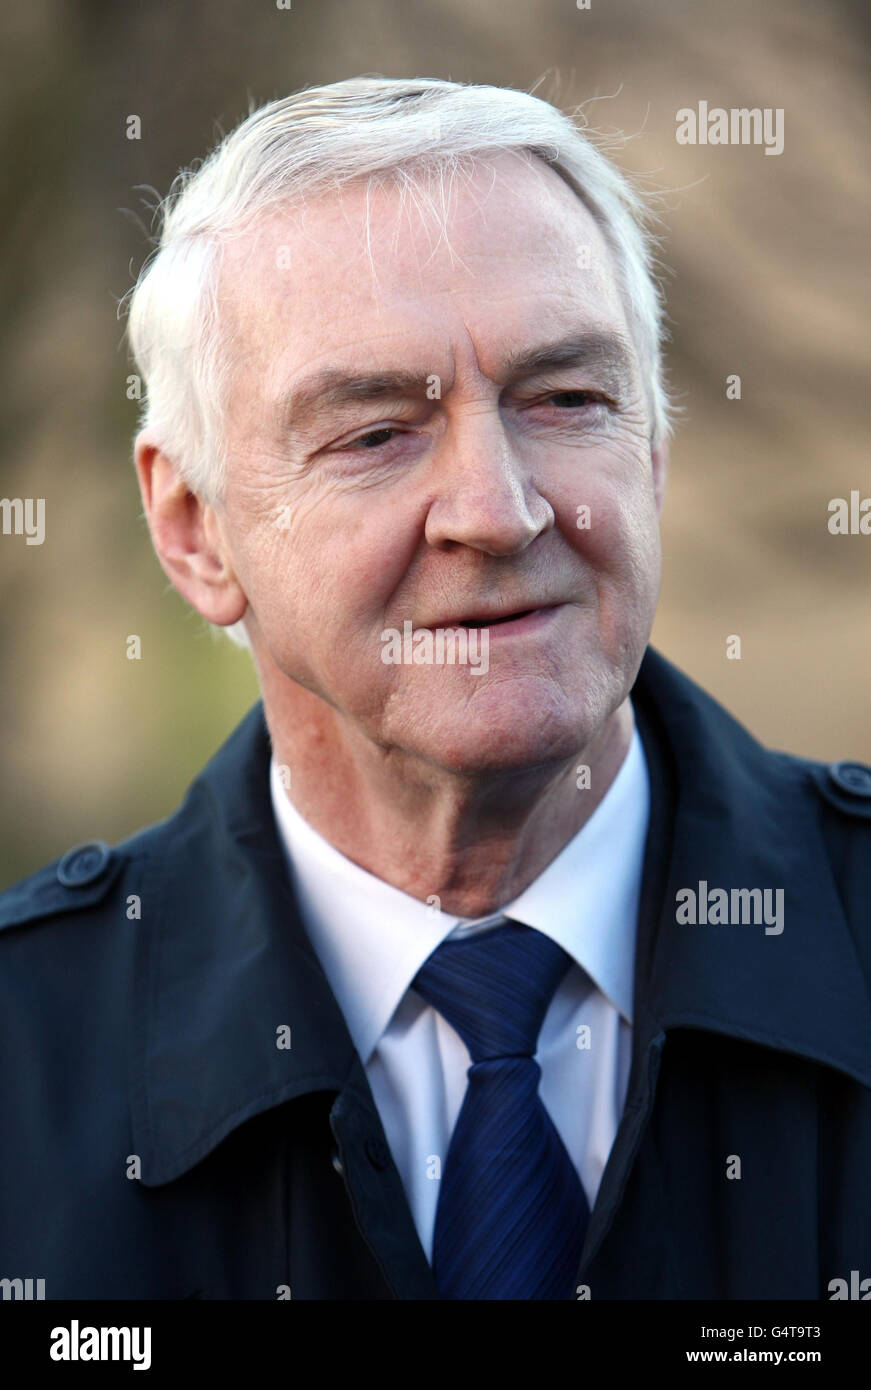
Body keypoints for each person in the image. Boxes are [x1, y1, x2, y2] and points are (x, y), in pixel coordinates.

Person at [1, 76, 869, 1302]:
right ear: (195, 530)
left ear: (656, 454)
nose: (498, 511)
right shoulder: (26, 1063)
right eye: (374, 434)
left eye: (567, 399)